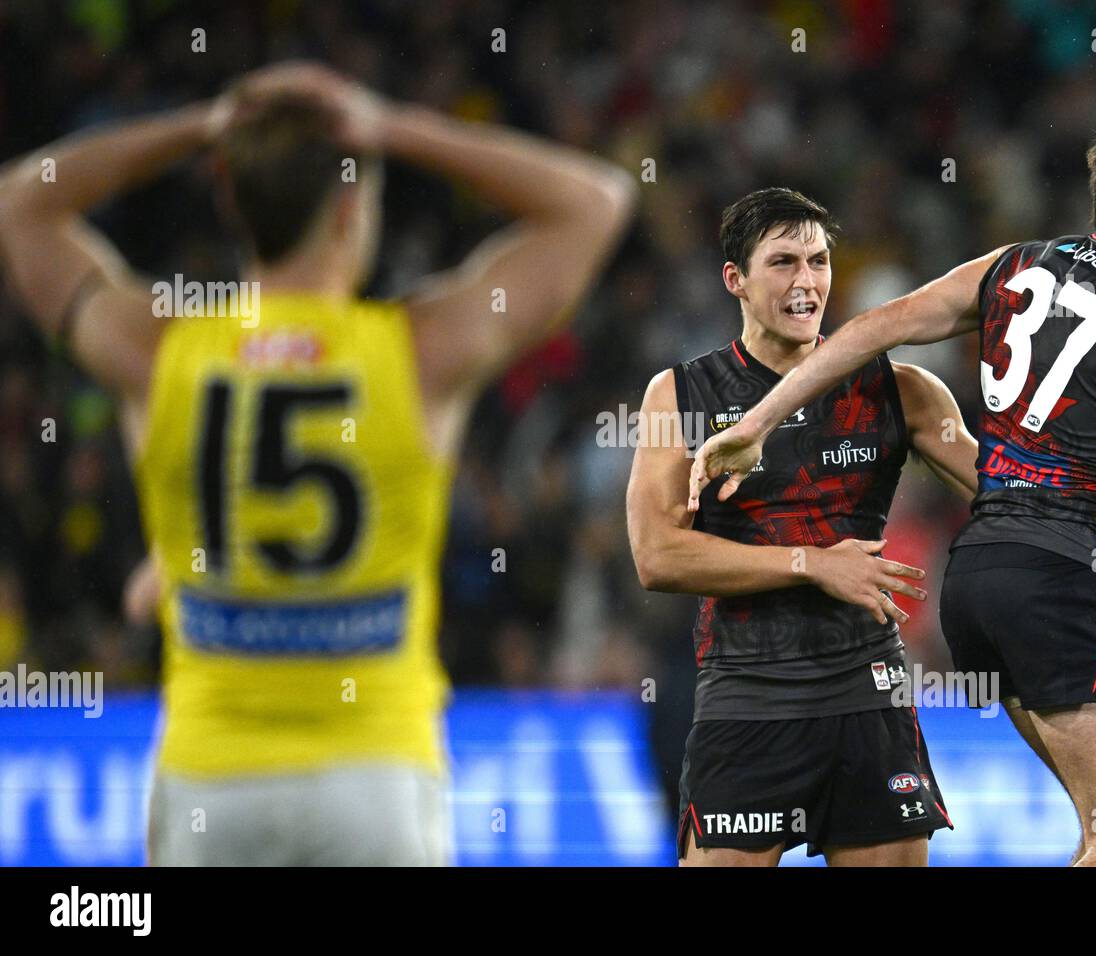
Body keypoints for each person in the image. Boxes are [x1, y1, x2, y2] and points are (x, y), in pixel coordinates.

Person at [0, 62, 635, 865]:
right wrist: (392, 123)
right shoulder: (416, 352)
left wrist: (205, 121)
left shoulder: (157, 348)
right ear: (347, 208)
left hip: (212, 779)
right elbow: (594, 202)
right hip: (374, 774)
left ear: (227, 195)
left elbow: (24, 202)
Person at [686, 90, 1096, 866]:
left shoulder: (1015, 265)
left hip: (975, 576)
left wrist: (756, 421)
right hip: (1059, 578)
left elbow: (879, 326)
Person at [628, 187, 1096, 866]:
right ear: (735, 279)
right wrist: (811, 563)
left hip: (869, 696)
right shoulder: (679, 395)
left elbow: (1019, 493)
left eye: (818, 262)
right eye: (784, 262)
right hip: (747, 699)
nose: (806, 282)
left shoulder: (901, 391)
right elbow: (657, 556)